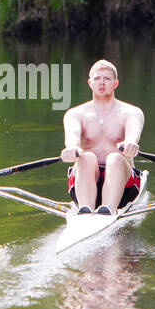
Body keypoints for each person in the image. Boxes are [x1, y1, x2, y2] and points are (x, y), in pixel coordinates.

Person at [60, 60, 145, 215]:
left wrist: (131, 143)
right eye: (97, 78)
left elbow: (133, 134)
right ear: (89, 83)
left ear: (115, 83)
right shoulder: (75, 114)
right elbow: (72, 138)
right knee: (86, 157)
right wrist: (71, 148)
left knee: (115, 157)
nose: (101, 83)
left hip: (124, 184)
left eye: (106, 79)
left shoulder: (131, 112)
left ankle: (108, 210)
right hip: (84, 176)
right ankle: (85, 210)